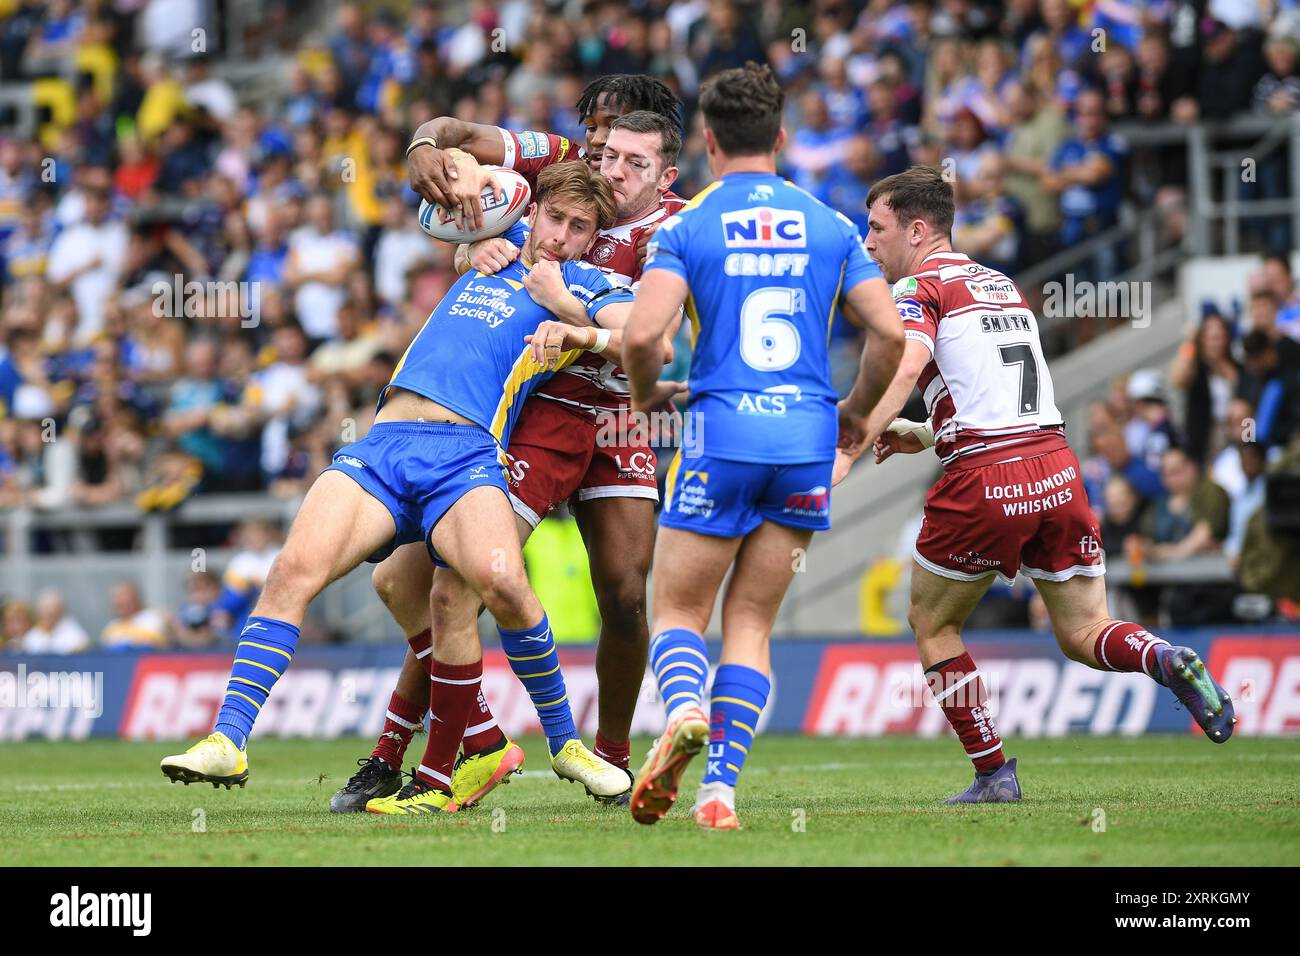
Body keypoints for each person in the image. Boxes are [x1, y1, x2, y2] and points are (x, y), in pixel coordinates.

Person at [161, 162, 638, 810]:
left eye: (580, 228)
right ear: (535, 213)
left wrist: (570, 313)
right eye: (555, 218)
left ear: (591, 239)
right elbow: (431, 179)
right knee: (293, 568)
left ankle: (565, 745)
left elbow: (643, 334)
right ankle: (227, 739)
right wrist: (470, 245)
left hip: (466, 453)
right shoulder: (489, 250)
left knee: (501, 582)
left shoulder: (584, 281)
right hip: (383, 445)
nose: (561, 236)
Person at [330, 77, 686, 813]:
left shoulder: (681, 228)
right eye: (596, 135)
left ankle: (611, 762)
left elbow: (664, 342)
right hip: (535, 408)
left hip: (617, 415)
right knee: (448, 581)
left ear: (662, 162)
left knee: (623, 593)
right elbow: (453, 136)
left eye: (623, 148)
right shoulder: (552, 166)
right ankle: (401, 755)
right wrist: (427, 148)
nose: (602, 157)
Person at [836, 165, 1237, 805]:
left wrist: (848, 442)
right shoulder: (1000, 285)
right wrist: (928, 432)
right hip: (1055, 466)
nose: (867, 242)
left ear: (917, 229)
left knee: (933, 625)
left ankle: (994, 774)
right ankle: (1164, 658)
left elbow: (904, 362)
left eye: (876, 228)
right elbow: (1001, 402)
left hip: (984, 480)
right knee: (1085, 632)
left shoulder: (917, 287)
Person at [621, 62, 905, 830]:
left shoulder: (687, 226)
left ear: (708, 142)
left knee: (679, 610)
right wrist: (858, 410)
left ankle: (683, 711)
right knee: (751, 623)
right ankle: (720, 792)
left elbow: (645, 334)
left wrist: (647, 396)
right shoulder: (833, 224)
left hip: (722, 431)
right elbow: (889, 332)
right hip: (807, 437)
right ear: (780, 138)